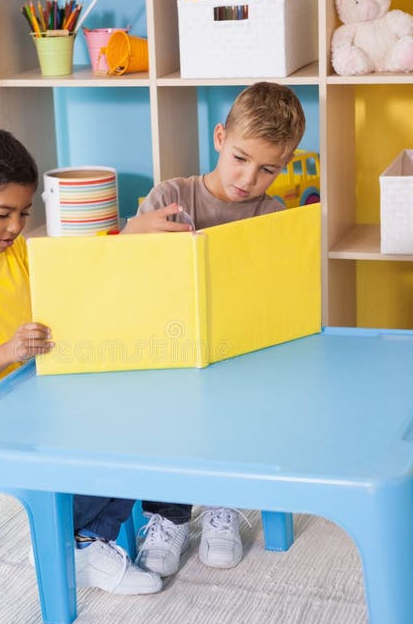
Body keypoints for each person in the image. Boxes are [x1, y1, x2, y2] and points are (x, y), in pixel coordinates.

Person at [0, 127, 161, 596]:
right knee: (99, 436)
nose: (15, 226)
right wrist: (11, 350)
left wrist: (128, 235)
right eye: (3, 213)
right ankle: (67, 540)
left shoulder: (9, 251)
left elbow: (66, 274)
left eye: (25, 213)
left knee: (136, 418)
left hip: (33, 391)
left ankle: (80, 535)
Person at [123, 82, 306, 578]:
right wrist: (134, 231)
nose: (249, 178)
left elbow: (279, 296)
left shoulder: (271, 214)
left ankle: (225, 501)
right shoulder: (170, 197)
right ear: (220, 137)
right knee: (163, 405)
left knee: (245, 395)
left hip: (238, 349)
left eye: (268, 169)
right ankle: (169, 514)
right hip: (169, 342)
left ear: (284, 167)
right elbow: (123, 271)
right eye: (241, 158)